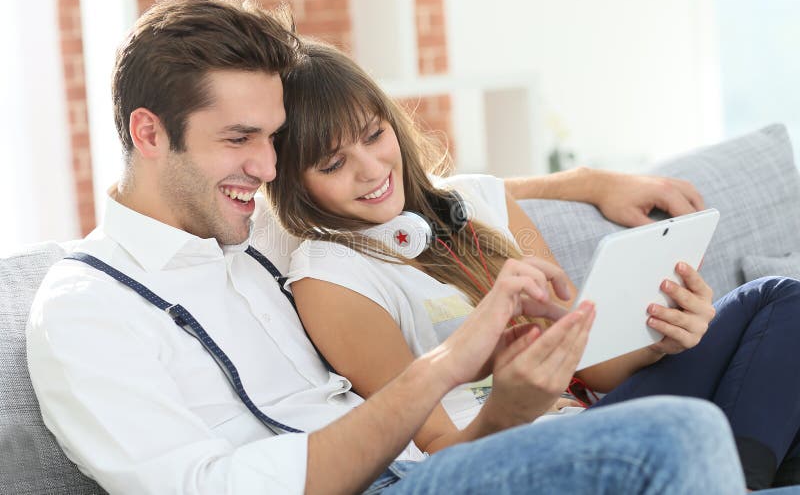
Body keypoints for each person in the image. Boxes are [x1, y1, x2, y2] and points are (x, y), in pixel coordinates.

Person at [26, 0, 751, 494]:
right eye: (240, 138)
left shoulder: (245, 227)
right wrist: (448, 367)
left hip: (427, 472)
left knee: (767, 322)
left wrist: (584, 182)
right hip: (392, 484)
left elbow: (413, 191)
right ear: (149, 133)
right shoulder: (86, 309)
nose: (268, 168)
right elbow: (205, 489)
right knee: (679, 434)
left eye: (272, 139)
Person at [265, 39, 800, 490]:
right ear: (295, 183)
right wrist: (509, 406)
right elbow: (440, 451)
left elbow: (590, 367)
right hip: (520, 453)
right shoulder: (330, 277)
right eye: (333, 163)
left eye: (374, 135)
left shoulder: (477, 202)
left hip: (594, 414)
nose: (370, 169)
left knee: (779, 298)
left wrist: (663, 338)